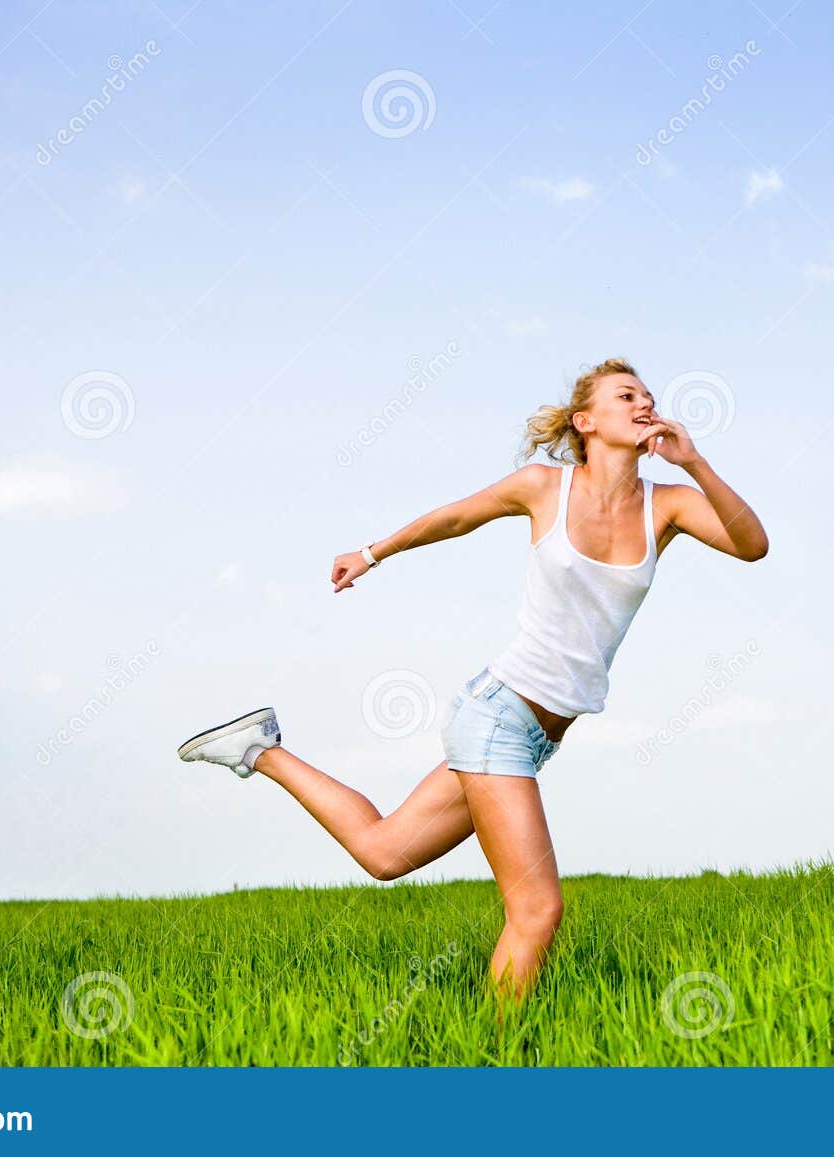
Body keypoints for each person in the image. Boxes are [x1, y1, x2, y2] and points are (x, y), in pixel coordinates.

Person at [177, 358, 769, 999]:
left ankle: (258, 749)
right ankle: (496, 1063)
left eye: (649, 396)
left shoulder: (670, 504)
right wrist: (372, 553)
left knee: (384, 854)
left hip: (537, 737)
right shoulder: (545, 487)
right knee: (538, 912)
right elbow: (458, 517)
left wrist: (695, 462)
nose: (644, 403)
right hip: (499, 714)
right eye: (626, 395)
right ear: (586, 421)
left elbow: (752, 545)